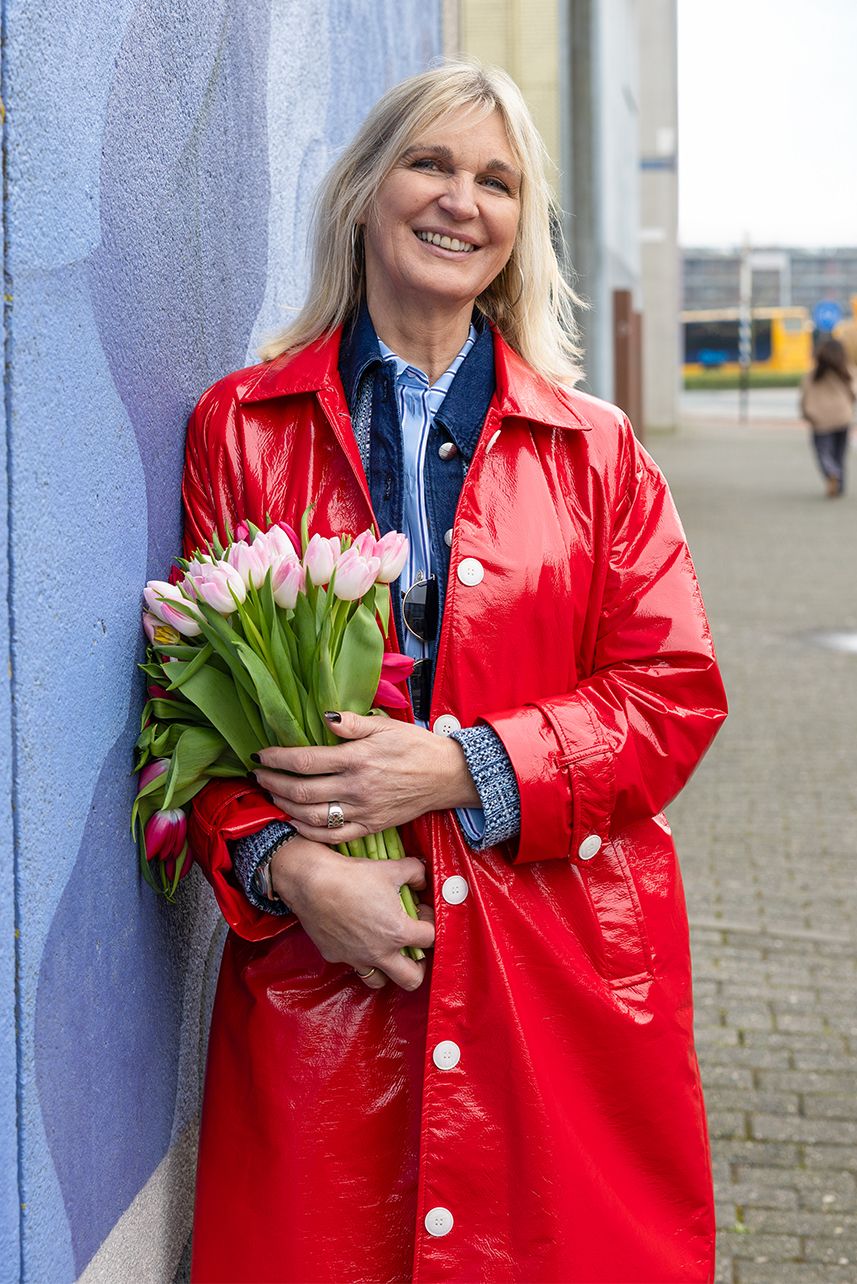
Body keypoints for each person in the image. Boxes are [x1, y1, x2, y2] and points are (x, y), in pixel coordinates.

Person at [180, 61, 728, 1284]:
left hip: (558, 967)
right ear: (366, 191)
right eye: (429, 164)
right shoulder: (240, 427)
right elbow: (185, 715)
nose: (458, 200)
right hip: (328, 980)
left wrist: (459, 767)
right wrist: (294, 869)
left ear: (519, 227)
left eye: (495, 181)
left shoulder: (598, 455)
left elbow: (670, 694)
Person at [800, 337, 856, 497]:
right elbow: (854, 393)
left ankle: (831, 473)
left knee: (823, 453)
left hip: (820, 420)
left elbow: (805, 396)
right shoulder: (847, 372)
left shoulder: (813, 375)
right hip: (842, 417)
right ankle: (840, 485)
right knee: (840, 454)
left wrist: (806, 413)